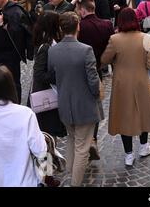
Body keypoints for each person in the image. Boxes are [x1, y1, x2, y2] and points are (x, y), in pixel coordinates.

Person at [48, 12, 102, 187]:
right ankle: (75, 183)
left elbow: (52, 74)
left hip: (65, 104)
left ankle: (71, 174)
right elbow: (93, 80)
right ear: (78, 26)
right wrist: (96, 95)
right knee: (82, 148)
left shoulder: (53, 50)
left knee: (72, 140)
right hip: (84, 105)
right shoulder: (86, 50)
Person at [101, 8, 150, 166]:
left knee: (124, 116)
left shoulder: (114, 39)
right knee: (143, 113)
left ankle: (128, 154)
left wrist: (116, 62)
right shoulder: (145, 38)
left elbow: (104, 60)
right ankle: (144, 146)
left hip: (121, 83)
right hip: (141, 82)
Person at [0, 66, 47, 187]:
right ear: (11, 87)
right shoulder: (26, 114)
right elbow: (41, 150)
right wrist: (48, 175)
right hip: (25, 181)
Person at [76, 0, 114, 160]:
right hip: (97, 69)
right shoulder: (106, 25)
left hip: (78, 71)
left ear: (83, 10)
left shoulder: (80, 26)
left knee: (79, 105)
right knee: (95, 106)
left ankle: (82, 139)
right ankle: (93, 138)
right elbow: (111, 47)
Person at [0, 0, 34, 101]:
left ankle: (15, 104)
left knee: (12, 81)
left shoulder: (15, 10)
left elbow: (21, 32)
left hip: (10, 53)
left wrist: (5, 25)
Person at [30, 11, 66, 138]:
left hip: (49, 94)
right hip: (47, 96)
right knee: (48, 134)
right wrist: (58, 75)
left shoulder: (47, 41)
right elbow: (39, 74)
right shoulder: (45, 47)